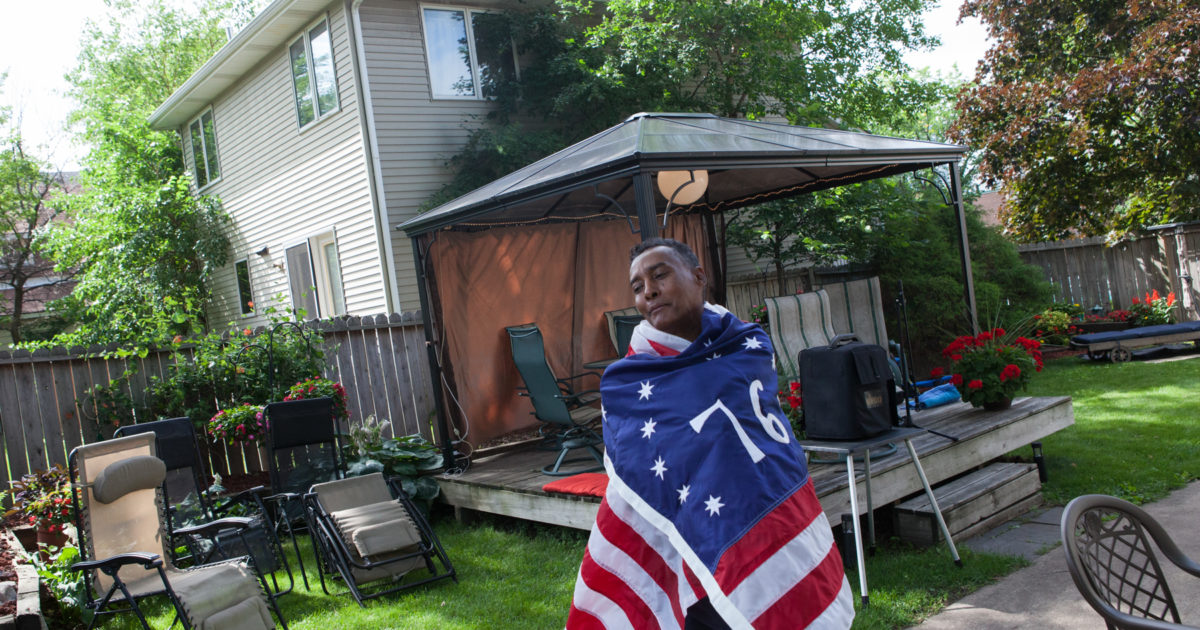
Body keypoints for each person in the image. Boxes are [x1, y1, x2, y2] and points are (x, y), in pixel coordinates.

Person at [567, 238, 854, 629]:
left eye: (660, 275)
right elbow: (637, 467)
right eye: (637, 287)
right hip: (692, 544)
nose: (648, 290)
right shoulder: (629, 381)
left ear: (699, 276)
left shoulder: (745, 347)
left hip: (771, 520)